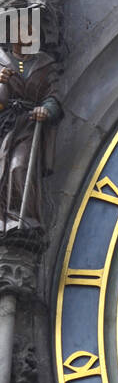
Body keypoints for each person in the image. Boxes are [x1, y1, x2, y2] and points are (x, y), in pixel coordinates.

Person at [0, 29, 61, 233]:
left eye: (30, 32)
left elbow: (53, 97)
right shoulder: (1, 60)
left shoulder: (44, 64)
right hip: (4, 124)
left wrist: (47, 109)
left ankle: (22, 218)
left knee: (19, 167)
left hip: (28, 123)